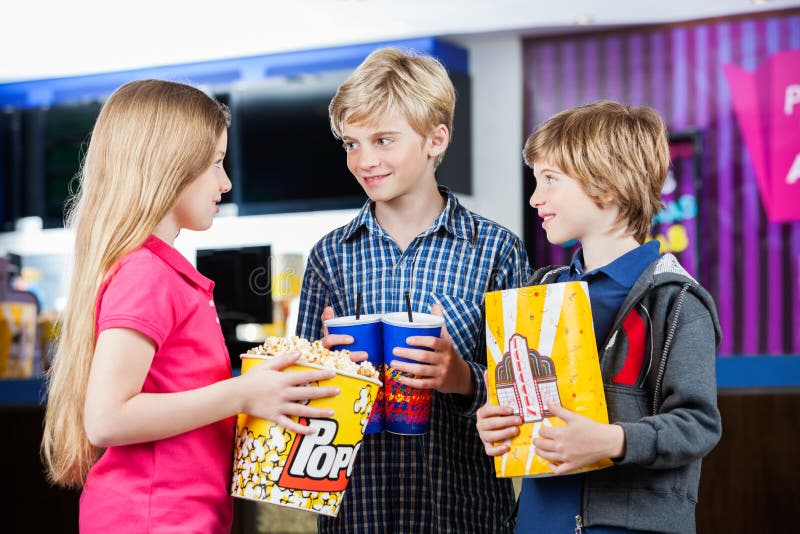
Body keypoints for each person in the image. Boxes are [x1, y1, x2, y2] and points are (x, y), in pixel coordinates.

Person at [40, 79, 340, 534]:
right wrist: (243, 392)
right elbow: (106, 418)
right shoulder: (147, 274)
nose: (226, 182)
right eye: (216, 162)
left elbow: (186, 404)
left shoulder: (160, 271)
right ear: (169, 164)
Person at [295, 47, 531, 533]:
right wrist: (319, 375)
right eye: (352, 143)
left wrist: (462, 378)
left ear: (435, 140)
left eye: (384, 140)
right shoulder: (328, 257)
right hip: (357, 516)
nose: (365, 160)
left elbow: (528, 401)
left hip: (464, 517)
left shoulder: (497, 251)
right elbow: (298, 408)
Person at [476, 100, 722, 534]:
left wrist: (612, 440)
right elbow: (515, 409)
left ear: (608, 186)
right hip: (537, 521)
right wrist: (494, 421)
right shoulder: (537, 292)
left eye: (550, 179)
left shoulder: (677, 300)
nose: (535, 197)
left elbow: (698, 425)